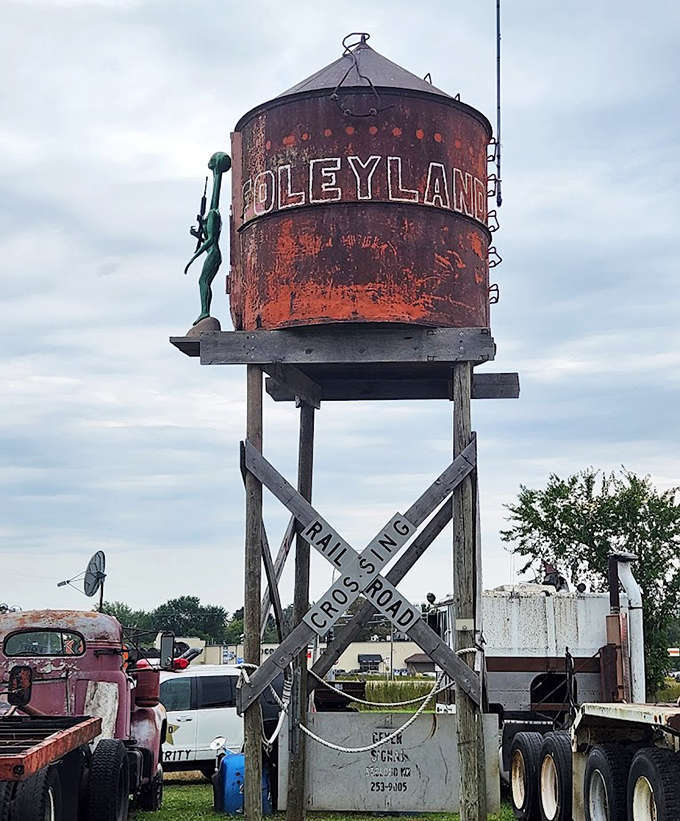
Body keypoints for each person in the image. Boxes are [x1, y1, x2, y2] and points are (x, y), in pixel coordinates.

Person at [184, 151, 231, 326]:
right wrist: (197, 235)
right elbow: (214, 198)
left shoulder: (212, 215)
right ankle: (204, 311)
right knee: (204, 281)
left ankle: (205, 311)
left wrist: (193, 257)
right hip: (213, 253)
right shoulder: (212, 213)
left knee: (203, 281)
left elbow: (211, 240)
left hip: (214, 254)